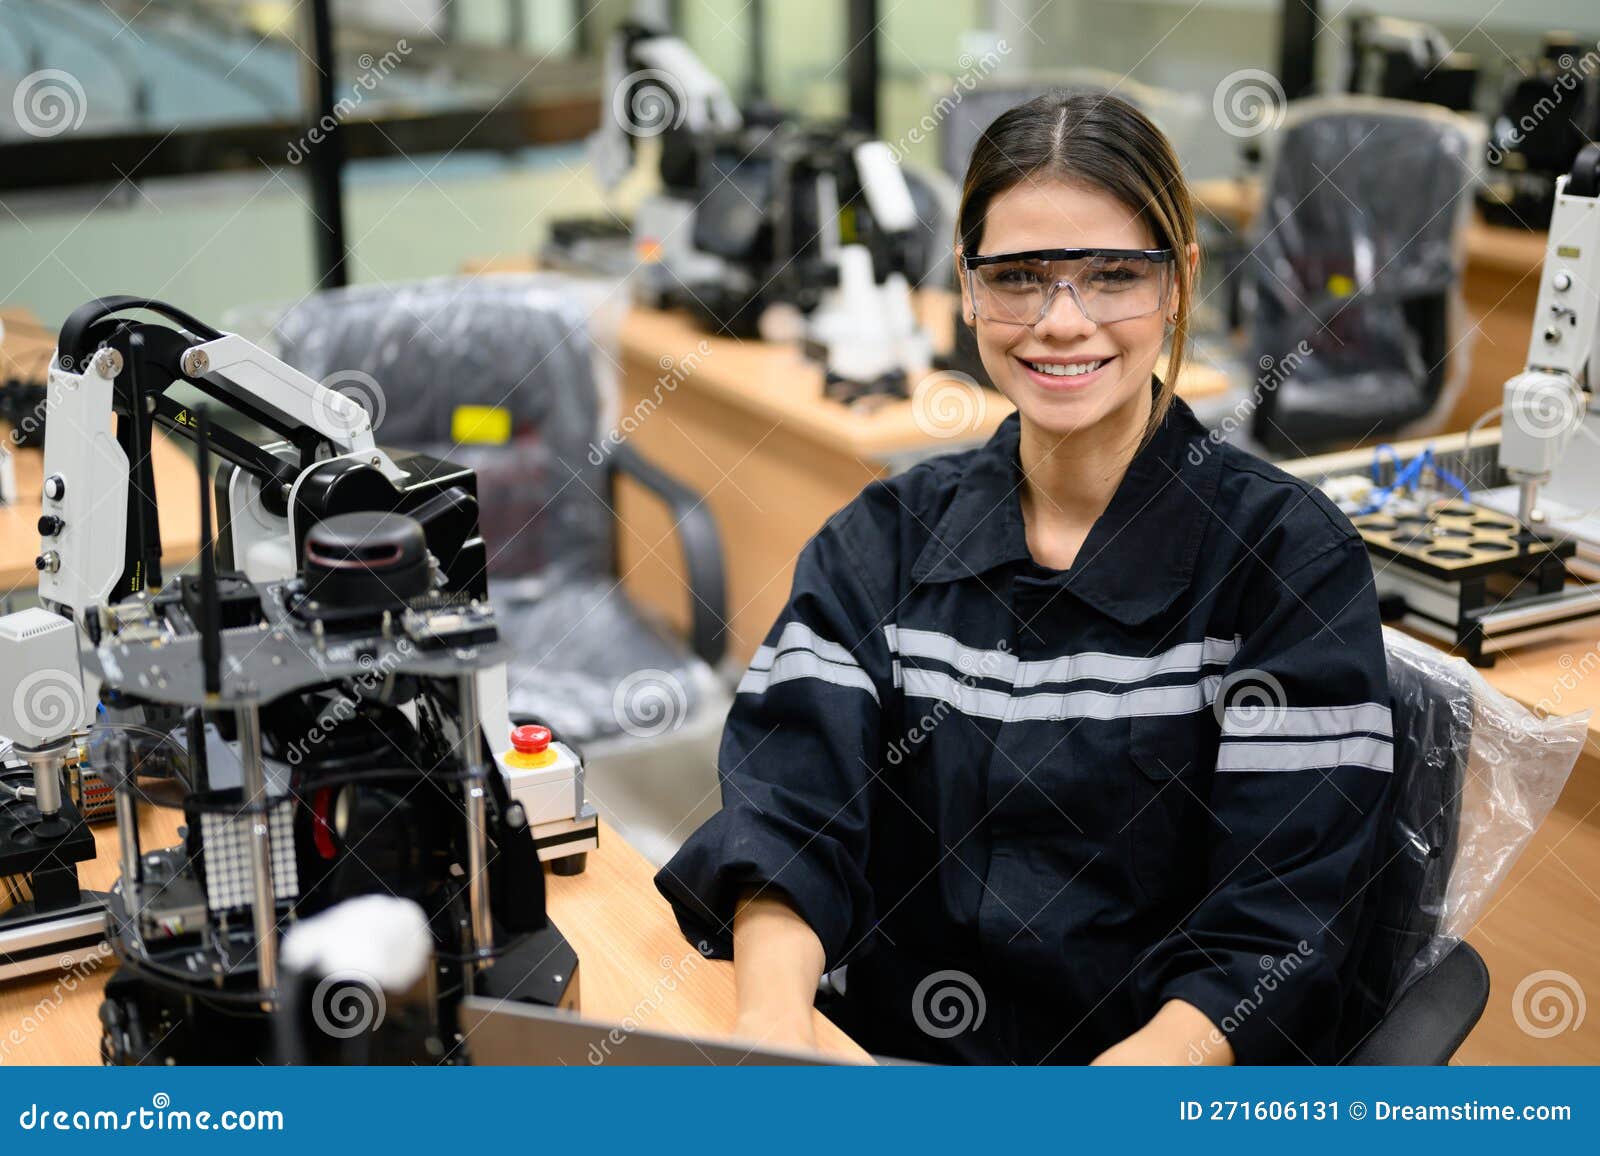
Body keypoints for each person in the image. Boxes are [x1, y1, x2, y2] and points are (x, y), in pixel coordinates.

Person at [654, 90, 1394, 1065]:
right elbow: (788, 815)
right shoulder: (882, 541)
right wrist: (778, 1028)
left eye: (1113, 275)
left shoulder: (1287, 562)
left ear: (1179, 284)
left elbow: (1281, 922)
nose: (1060, 321)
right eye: (1018, 278)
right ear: (965, 286)